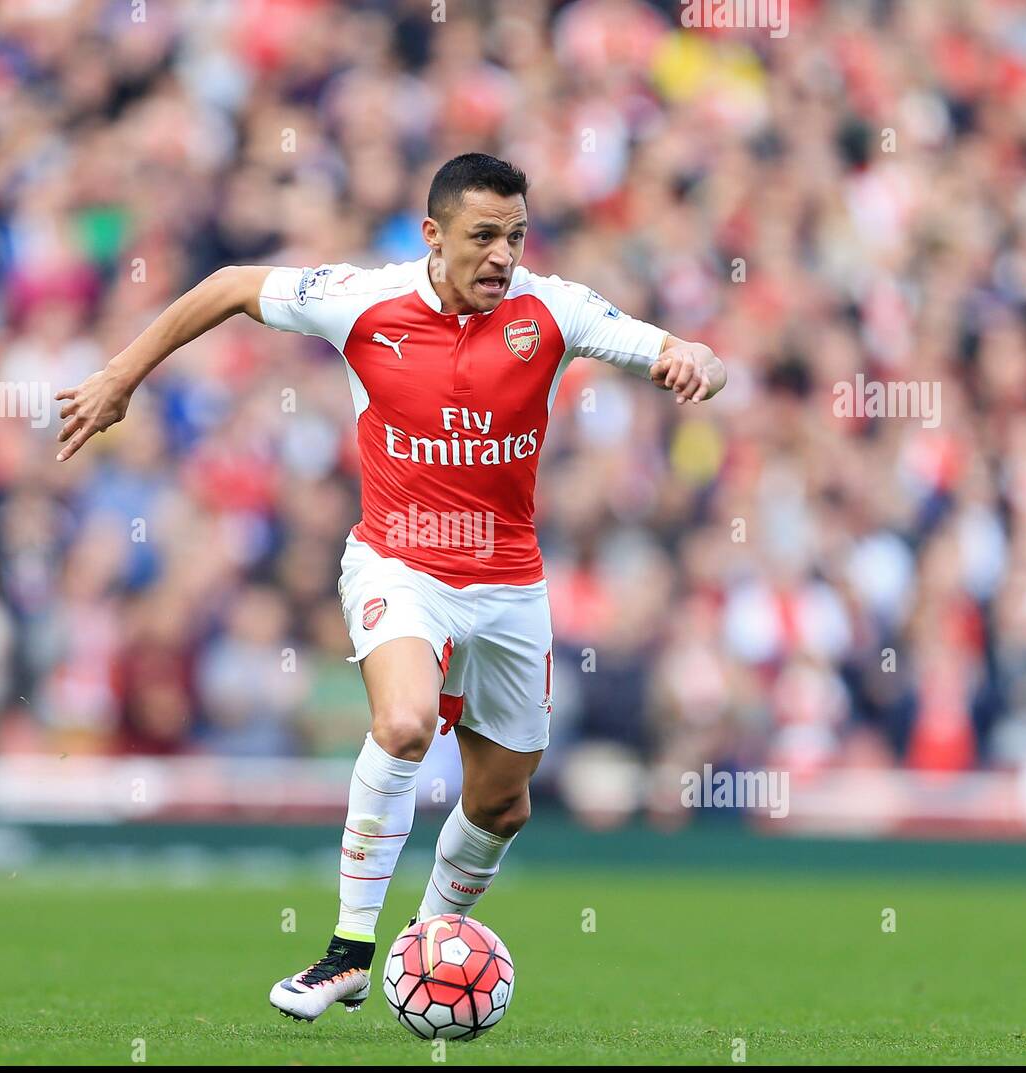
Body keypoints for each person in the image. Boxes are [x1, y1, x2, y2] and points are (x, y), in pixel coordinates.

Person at [56, 153, 727, 1021]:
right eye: (483, 235)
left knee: (502, 801)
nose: (502, 256)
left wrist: (696, 362)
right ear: (433, 235)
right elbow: (226, 283)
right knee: (404, 722)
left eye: (515, 236)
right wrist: (119, 377)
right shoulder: (360, 299)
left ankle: (432, 942)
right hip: (398, 562)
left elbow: (677, 346)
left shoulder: (551, 311)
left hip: (511, 584)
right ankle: (347, 950)